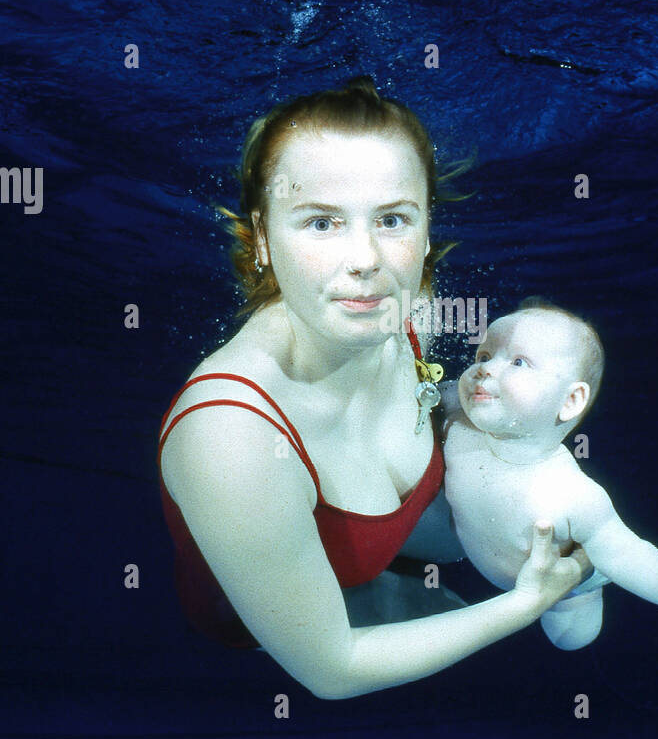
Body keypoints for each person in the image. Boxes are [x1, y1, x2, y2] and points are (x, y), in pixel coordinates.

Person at [157, 77, 594, 699]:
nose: (365, 258)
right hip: (268, 622)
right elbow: (332, 670)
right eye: (321, 223)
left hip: (396, 533)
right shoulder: (231, 436)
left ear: (425, 226)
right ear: (260, 238)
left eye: (392, 219)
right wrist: (524, 606)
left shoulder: (412, 309)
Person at [442, 299, 658, 651]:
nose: (484, 370)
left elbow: (625, 552)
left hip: (565, 588)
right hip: (480, 559)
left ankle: (587, 596)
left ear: (570, 401)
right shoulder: (457, 419)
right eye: (484, 356)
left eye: (517, 362)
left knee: (571, 639)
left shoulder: (570, 494)